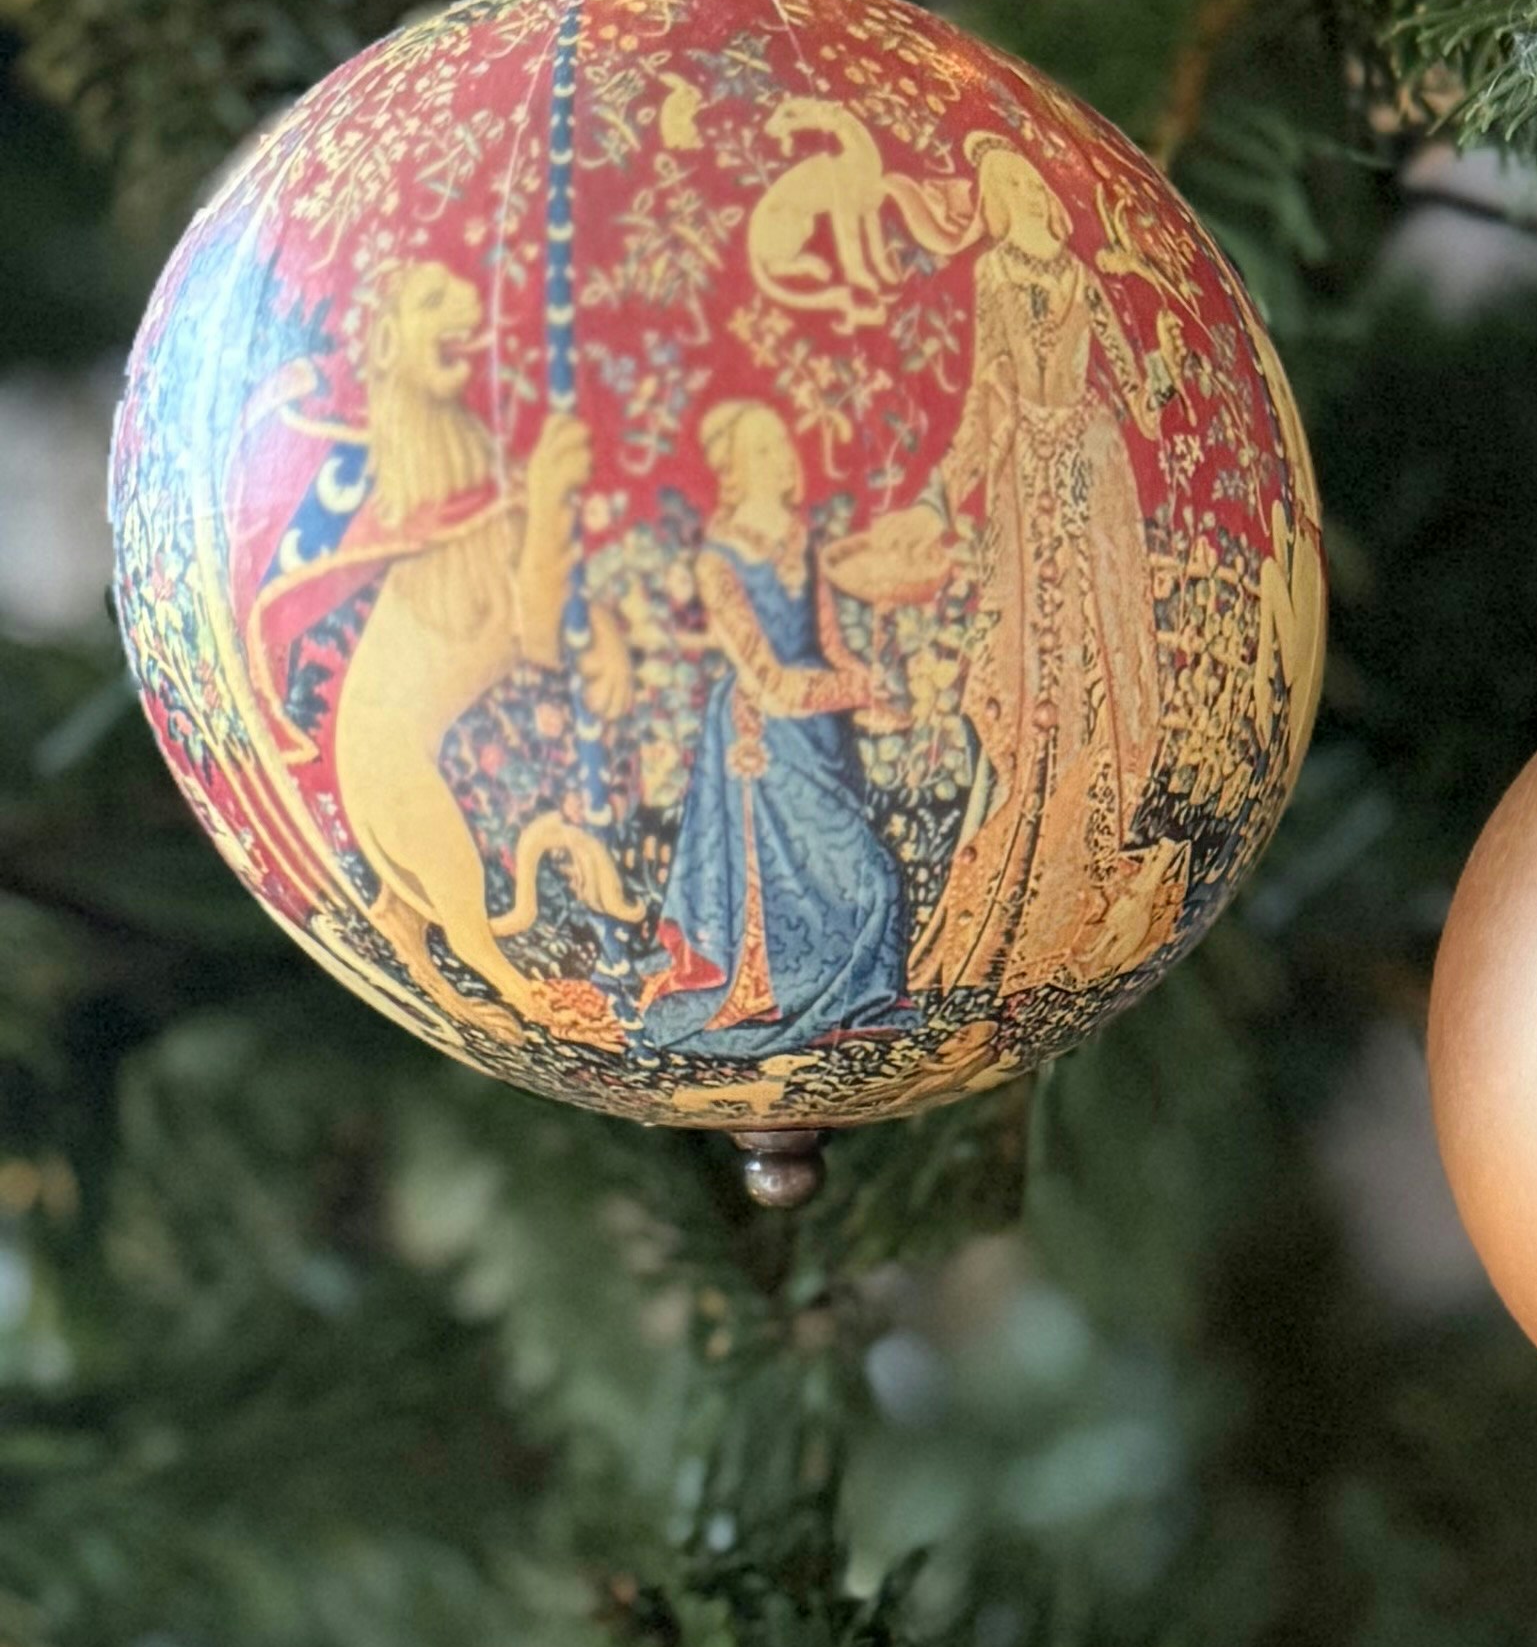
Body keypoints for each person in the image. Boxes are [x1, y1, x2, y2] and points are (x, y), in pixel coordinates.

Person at [247, 259, 625, 1032]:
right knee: (468, 914)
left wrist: (598, 620)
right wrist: (548, 499)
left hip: (388, 753)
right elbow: (535, 633)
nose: (464, 306)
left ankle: (448, 973)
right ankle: (518, 996)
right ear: (389, 344)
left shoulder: (468, 461)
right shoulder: (410, 486)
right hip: (386, 759)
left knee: (441, 898)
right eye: (432, 302)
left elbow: (522, 617)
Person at [913, 137, 1172, 1014]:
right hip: (1028, 473)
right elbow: (986, 385)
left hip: (1091, 467)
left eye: (1029, 180)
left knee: (1097, 647)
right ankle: (1033, 847)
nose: (1025, 194)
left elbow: (1136, 393)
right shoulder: (993, 275)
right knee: (1035, 662)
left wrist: (1164, 364)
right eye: (1009, 186)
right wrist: (950, 480)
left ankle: (1092, 844)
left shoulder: (1078, 274)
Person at [636, 399, 913, 1051]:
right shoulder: (718, 562)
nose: (780, 459)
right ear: (735, 467)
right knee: (856, 879)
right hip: (763, 737)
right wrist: (852, 687)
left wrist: (876, 688)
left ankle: (854, 1006)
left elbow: (832, 647)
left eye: (780, 445)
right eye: (762, 450)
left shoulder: (799, 539)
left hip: (824, 737)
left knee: (871, 876)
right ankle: (787, 995)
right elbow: (771, 682)